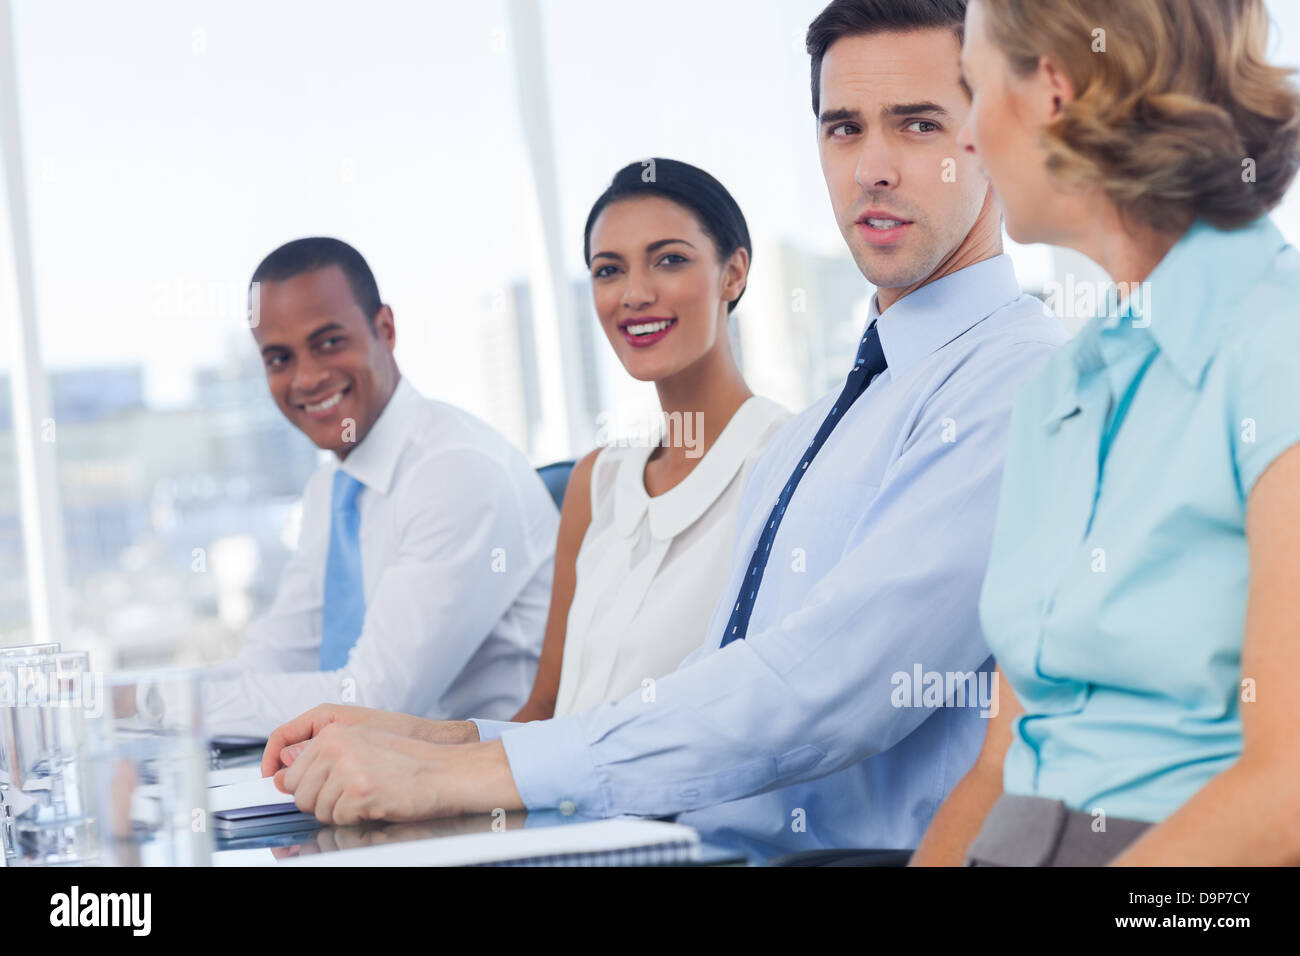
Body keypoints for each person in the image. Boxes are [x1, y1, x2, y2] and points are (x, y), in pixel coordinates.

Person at [261, 0, 1065, 858]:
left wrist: (460, 776)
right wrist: (431, 744)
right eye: (842, 128)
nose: (871, 166)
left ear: (990, 129)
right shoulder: (825, 427)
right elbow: (704, 684)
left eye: (917, 125)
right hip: (684, 838)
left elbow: (828, 689)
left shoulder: (1018, 386)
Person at [910, 0, 1300, 866]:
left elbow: (1287, 796)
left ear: (1055, 88)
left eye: (974, 86)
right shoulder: (1056, 393)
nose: (966, 137)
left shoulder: (1280, 351)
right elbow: (1003, 760)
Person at [190, 237, 559, 736]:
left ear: (384, 329)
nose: (307, 378)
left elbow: (373, 699)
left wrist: (172, 710)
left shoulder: (454, 471)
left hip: (495, 791)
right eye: (279, 359)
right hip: (387, 783)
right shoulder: (331, 491)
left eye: (328, 343)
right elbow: (272, 661)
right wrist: (135, 703)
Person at [509, 159, 790, 723]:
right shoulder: (597, 481)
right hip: (561, 804)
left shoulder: (788, 464)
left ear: (733, 273)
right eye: (608, 271)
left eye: (669, 260)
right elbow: (545, 709)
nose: (634, 294)